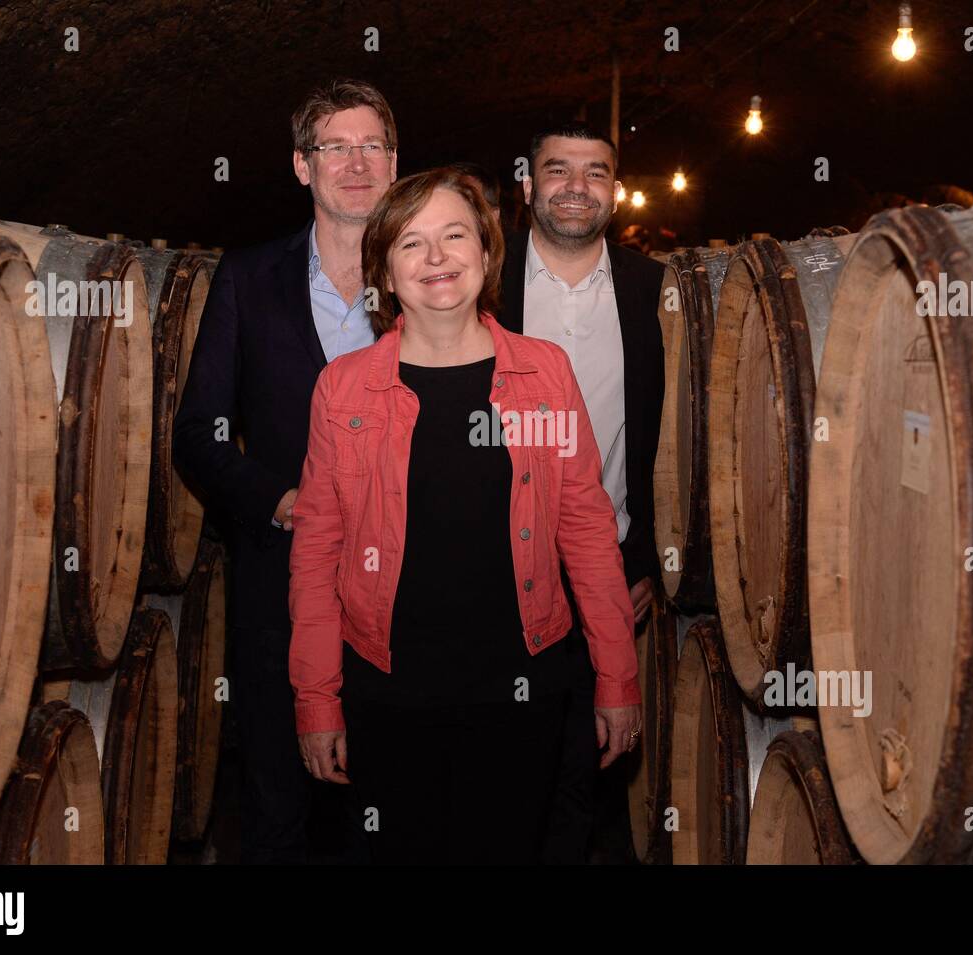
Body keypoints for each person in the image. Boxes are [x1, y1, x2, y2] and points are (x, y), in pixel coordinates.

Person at [288, 167, 642, 864]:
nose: (437, 259)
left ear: (485, 252)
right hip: (386, 691)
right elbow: (316, 553)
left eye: (455, 236)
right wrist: (316, 698)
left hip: (520, 691)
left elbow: (587, 532)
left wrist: (617, 678)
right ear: (384, 273)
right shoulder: (345, 388)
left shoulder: (544, 376)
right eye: (411, 244)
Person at [172, 77, 399, 864]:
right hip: (279, 591)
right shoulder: (247, 278)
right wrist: (278, 500)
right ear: (303, 167)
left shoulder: (433, 281)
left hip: (407, 594)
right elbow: (196, 433)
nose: (356, 162)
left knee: (391, 814)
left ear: (395, 163)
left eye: (372, 145)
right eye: (336, 146)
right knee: (279, 814)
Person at [500, 122, 667, 864]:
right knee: (496, 774)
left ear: (616, 190)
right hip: (493, 567)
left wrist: (650, 560)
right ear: (527, 184)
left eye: (596, 172)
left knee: (586, 773)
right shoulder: (482, 280)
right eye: (557, 169)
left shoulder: (654, 290)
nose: (577, 186)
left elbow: (678, 434)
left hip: (609, 569)